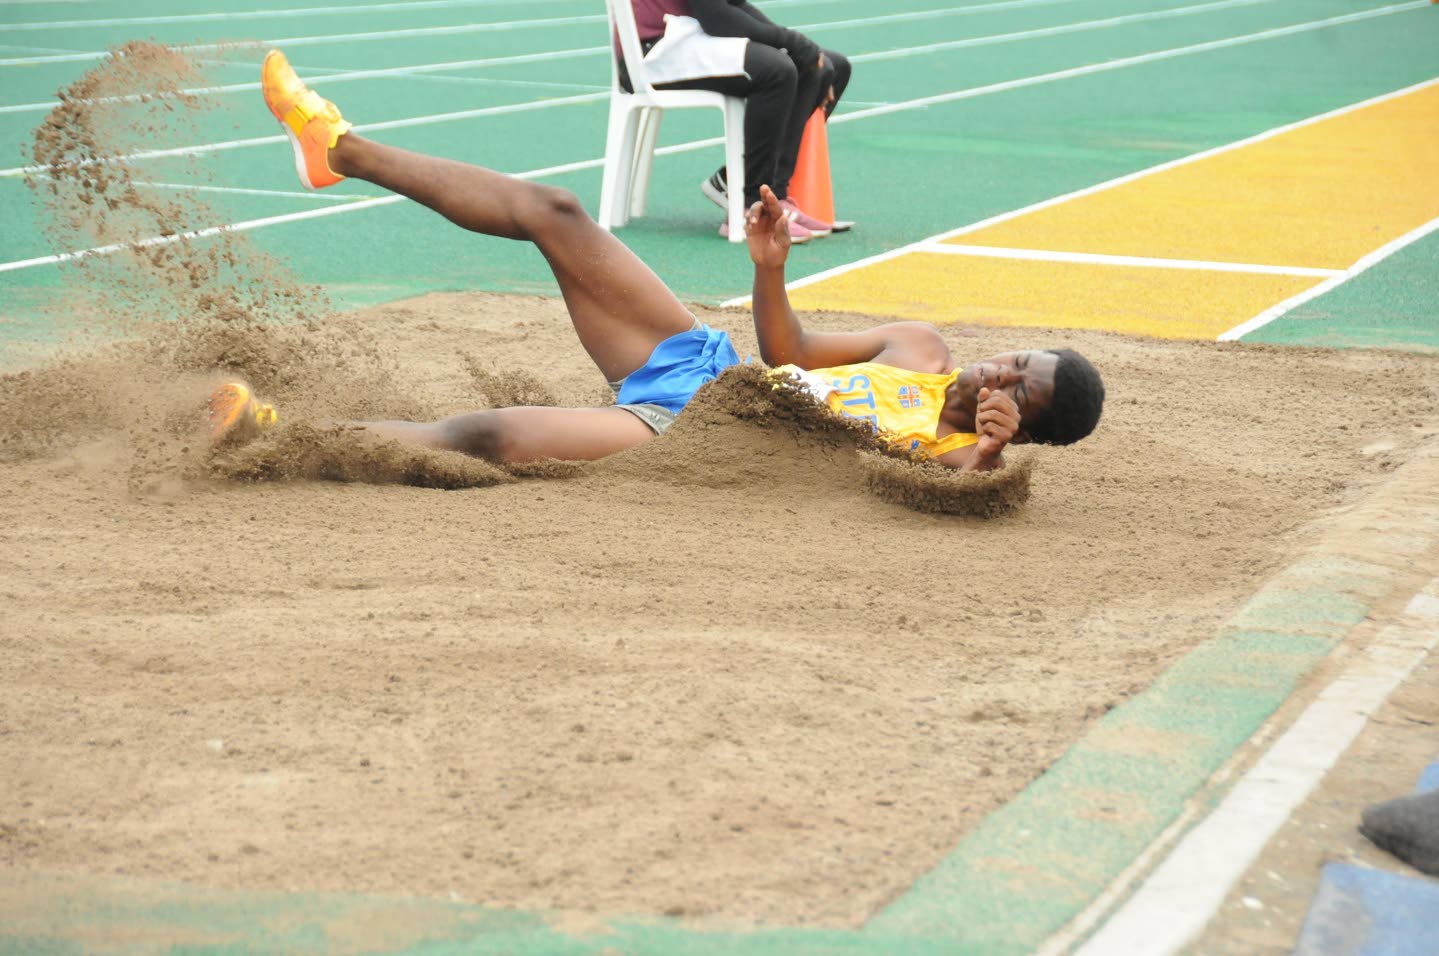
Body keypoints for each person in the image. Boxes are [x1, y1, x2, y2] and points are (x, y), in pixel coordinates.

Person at [214, 51, 1104, 475]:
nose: (999, 372)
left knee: (488, 436)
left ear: (1023, 427)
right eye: (1017, 358)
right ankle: (339, 150)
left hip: (692, 438)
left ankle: (273, 432)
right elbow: (787, 354)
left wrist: (985, 452)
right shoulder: (918, 348)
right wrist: (768, 269)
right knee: (555, 212)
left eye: (1018, 392)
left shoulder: (959, 453)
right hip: (706, 369)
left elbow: (958, 495)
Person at [618, 0, 851, 240]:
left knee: (823, 67)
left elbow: (734, 6)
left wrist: (801, 49)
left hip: (687, 33)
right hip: (657, 47)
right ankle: (751, 205)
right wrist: (793, 43)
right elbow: (718, 19)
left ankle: (757, 190)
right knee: (777, 70)